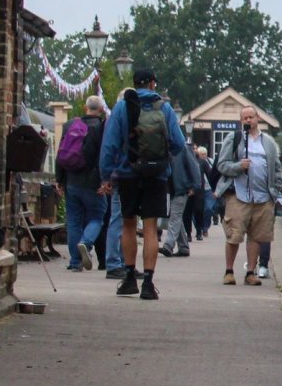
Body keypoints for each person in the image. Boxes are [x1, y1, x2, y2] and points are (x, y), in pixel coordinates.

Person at [97, 69, 187, 300]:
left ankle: (128, 278)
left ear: (134, 85)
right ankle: (148, 282)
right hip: (156, 175)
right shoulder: (165, 109)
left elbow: (109, 145)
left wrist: (106, 175)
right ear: (153, 84)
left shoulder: (121, 108)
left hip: (128, 174)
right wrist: (163, 158)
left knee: (128, 225)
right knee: (150, 228)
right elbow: (178, 143)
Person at [214, 106, 279, 286]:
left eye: (251, 117)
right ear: (240, 121)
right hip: (238, 195)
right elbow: (222, 165)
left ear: (258, 118)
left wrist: (275, 190)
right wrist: (238, 166)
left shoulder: (269, 143)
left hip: (263, 197)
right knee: (234, 235)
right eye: (245, 118)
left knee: (257, 236)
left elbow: (277, 168)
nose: (248, 121)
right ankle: (229, 271)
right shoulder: (234, 139)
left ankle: (251, 272)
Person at [56, 95, 107, 272]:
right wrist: (104, 180)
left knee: (73, 221)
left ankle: (75, 262)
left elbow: (60, 153)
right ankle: (85, 242)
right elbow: (103, 157)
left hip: (71, 181)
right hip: (92, 182)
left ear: (86, 108)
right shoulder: (101, 127)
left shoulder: (70, 125)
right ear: (101, 110)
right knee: (97, 217)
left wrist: (59, 180)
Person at [159, 132, 202, 258]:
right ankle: (183, 247)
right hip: (170, 189)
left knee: (175, 217)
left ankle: (168, 245)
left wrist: (195, 186)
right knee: (176, 218)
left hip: (181, 189)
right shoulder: (165, 149)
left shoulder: (184, 148)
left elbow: (194, 167)